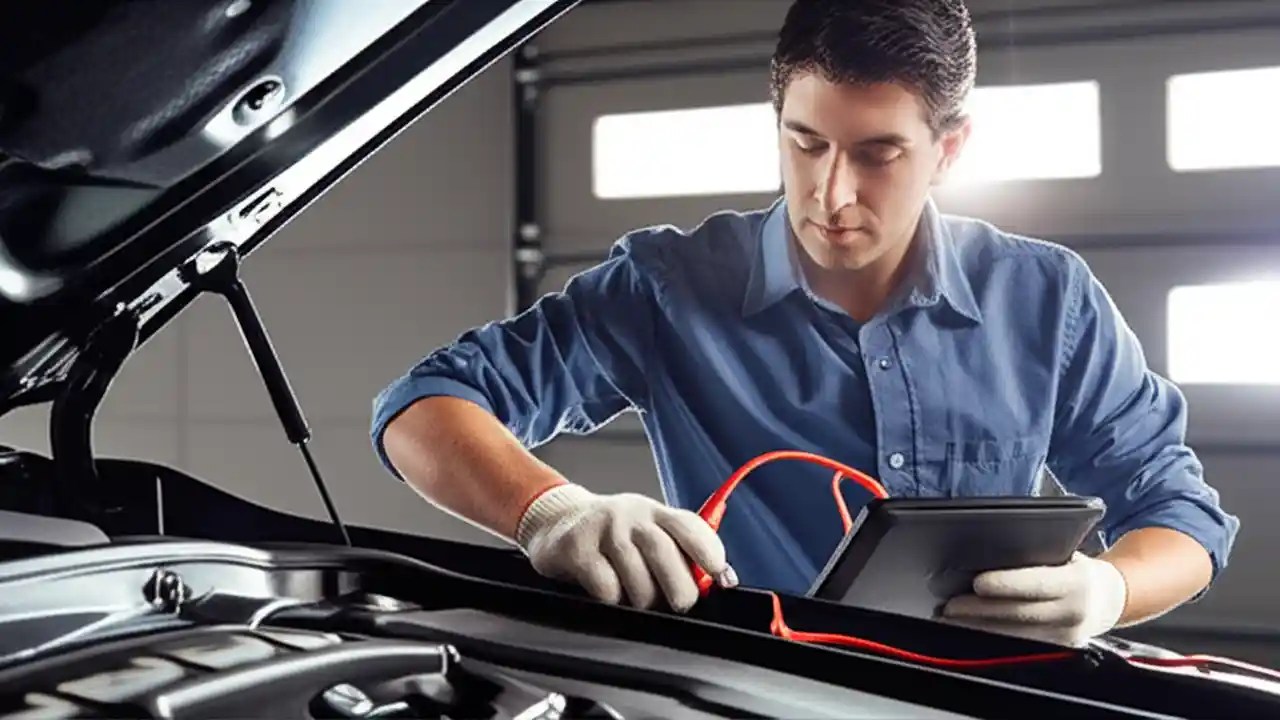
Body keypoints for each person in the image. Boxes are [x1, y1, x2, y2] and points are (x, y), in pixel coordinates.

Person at [371, 0, 1239, 647]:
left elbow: (1181, 513)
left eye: (878, 154)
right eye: (806, 142)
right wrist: (551, 510)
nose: (830, 194)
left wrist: (1110, 591)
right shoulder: (669, 285)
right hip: (750, 689)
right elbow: (423, 405)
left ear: (952, 147)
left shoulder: (1047, 299)